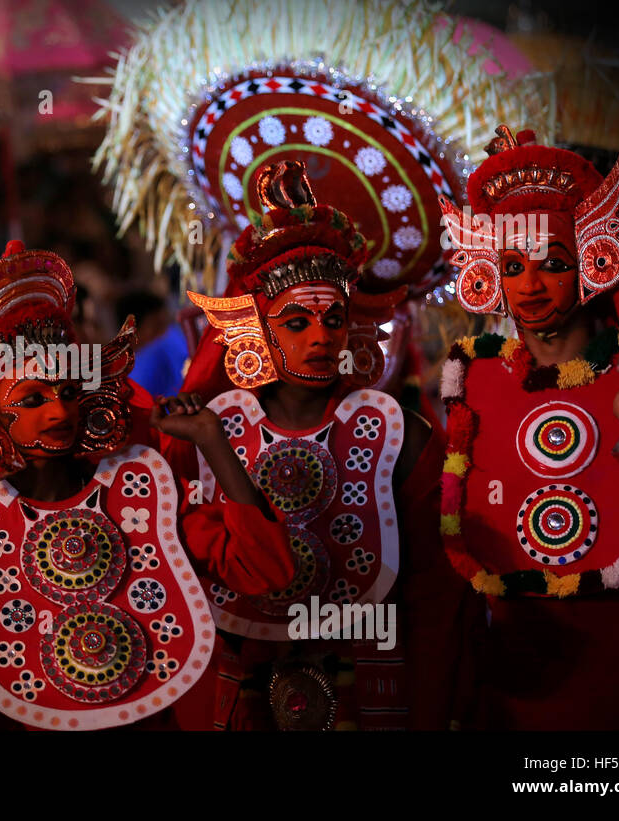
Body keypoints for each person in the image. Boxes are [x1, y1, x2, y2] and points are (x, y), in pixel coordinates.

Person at [0, 240, 251, 730]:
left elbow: (262, 570)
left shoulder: (137, 495)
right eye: (33, 398)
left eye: (67, 393)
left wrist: (213, 442)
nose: (58, 413)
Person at [155, 161, 466, 730]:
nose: (321, 337)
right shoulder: (200, 438)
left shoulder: (401, 435)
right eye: (296, 322)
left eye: (334, 319)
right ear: (254, 330)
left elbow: (439, 599)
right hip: (243, 686)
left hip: (371, 688)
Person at [438, 126, 619, 729]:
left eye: (553, 264)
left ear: (591, 264)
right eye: (512, 264)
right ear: (490, 274)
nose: (529, 285)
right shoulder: (472, 383)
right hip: (508, 678)